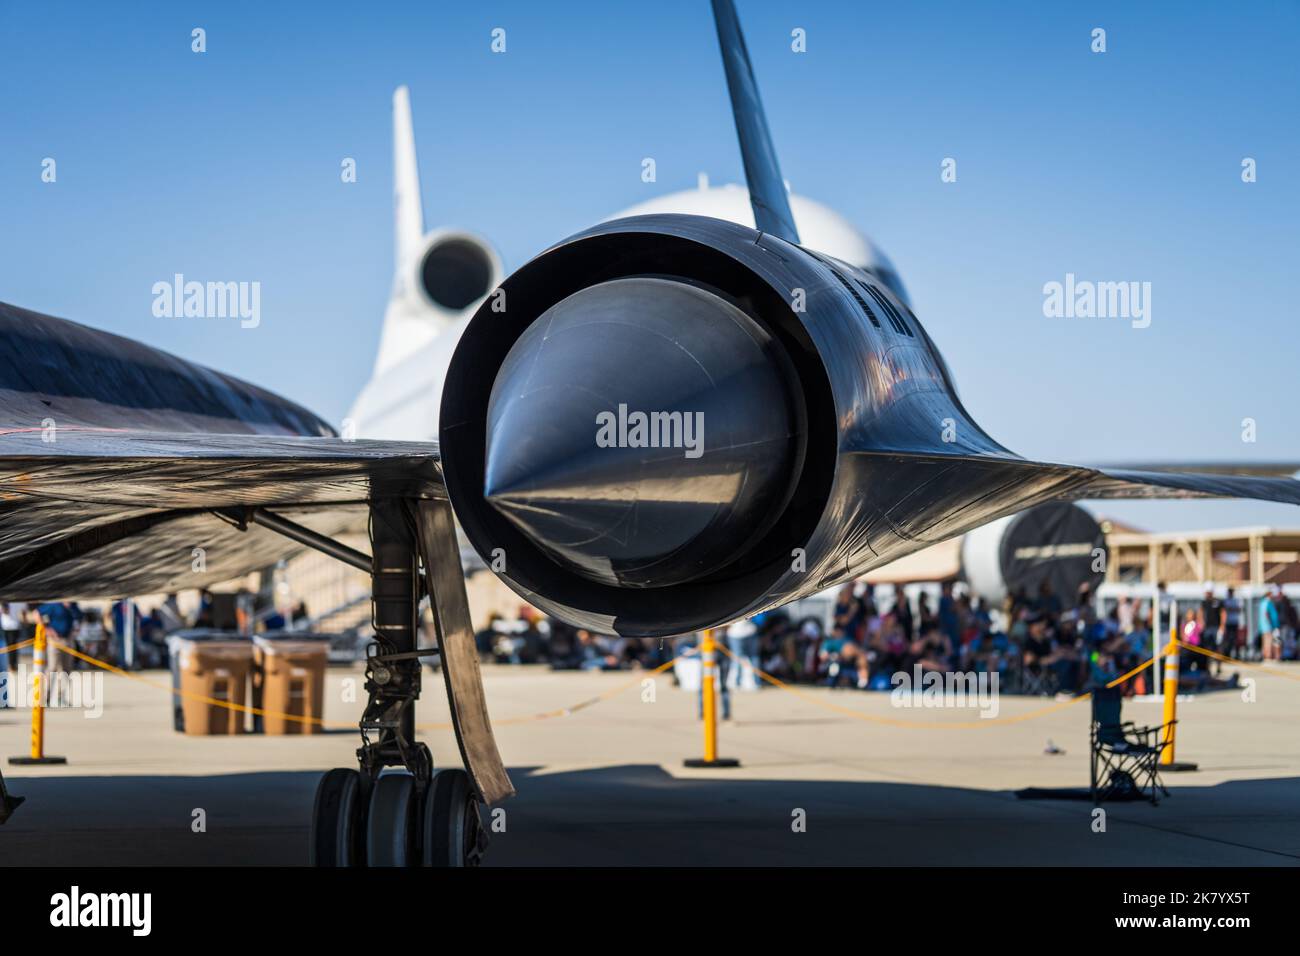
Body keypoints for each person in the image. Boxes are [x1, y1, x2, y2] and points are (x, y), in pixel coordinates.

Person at [1258, 589, 1282, 661]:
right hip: (1268, 626)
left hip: (1264, 626)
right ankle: (1268, 656)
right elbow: (1266, 614)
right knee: (1268, 641)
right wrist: (1270, 623)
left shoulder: (1262, 603)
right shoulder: (1267, 602)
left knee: (1265, 641)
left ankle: (1266, 655)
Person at [1223, 587, 1243, 659]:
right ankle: (1227, 654)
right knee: (1228, 639)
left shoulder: (1236, 600)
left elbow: (1239, 609)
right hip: (1228, 623)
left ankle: (1236, 655)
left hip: (1234, 622)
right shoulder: (1226, 600)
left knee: (1235, 639)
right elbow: (1226, 609)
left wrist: (1231, 609)